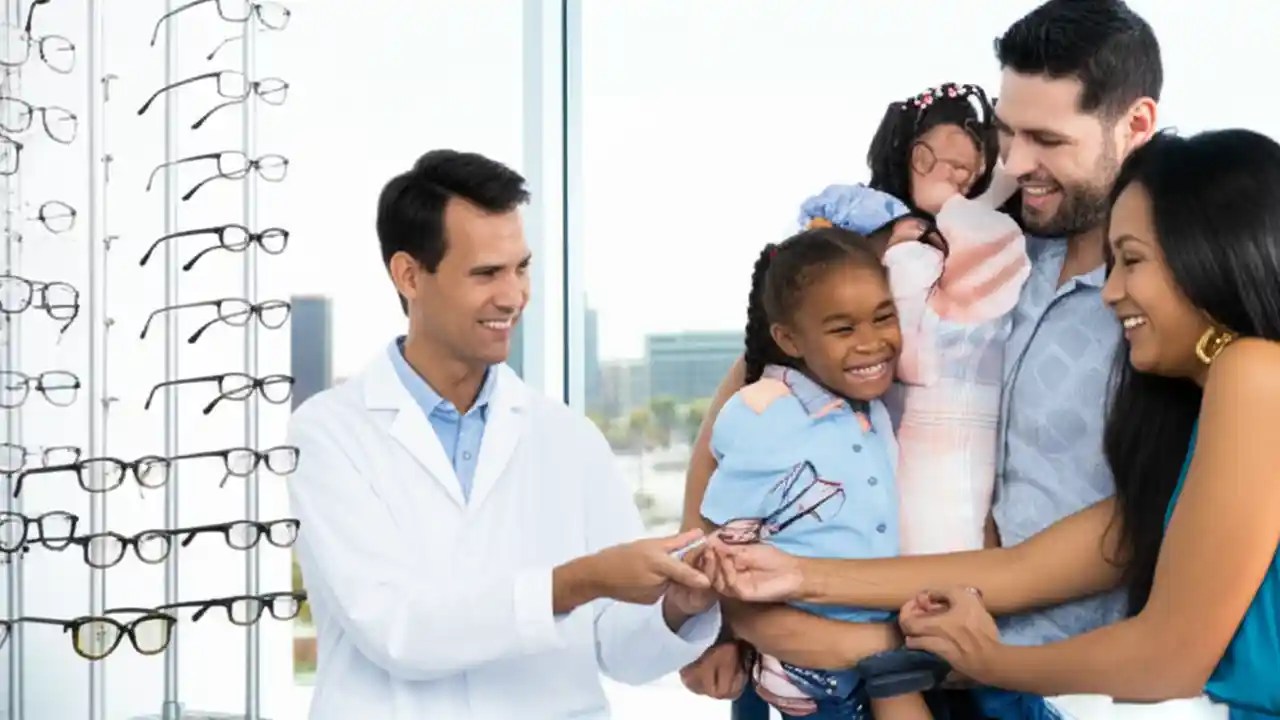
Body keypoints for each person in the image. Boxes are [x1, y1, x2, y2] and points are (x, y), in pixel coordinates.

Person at [680, 0, 1161, 714]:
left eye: (1047, 140)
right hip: (841, 655)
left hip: (1036, 682)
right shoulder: (953, 242)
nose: (1016, 163)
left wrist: (849, 629)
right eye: (1006, 133)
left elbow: (1130, 532)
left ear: (1137, 125)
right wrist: (711, 607)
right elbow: (754, 384)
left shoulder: (1161, 298)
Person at [718, 128, 1280, 719]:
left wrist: (986, 661)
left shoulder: (1254, 370)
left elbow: (1169, 658)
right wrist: (797, 575)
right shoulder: (1204, 419)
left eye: (1132, 261)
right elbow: (1020, 570)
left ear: (1212, 251)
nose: (1111, 294)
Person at [286, 149, 722, 720]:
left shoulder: (567, 436)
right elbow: (397, 630)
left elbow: (617, 647)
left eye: (521, 268)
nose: (513, 296)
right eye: (486, 273)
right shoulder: (328, 435)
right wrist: (578, 580)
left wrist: (677, 608)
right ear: (409, 275)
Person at [698, 226, 930, 719]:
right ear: (789, 339)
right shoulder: (762, 412)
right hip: (798, 661)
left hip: (872, 647)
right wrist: (719, 637)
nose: (871, 343)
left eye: (883, 317)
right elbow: (720, 538)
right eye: (843, 329)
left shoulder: (875, 407)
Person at [801, 85, 1029, 556]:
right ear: (906, 152)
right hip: (891, 441)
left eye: (966, 168)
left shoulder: (974, 235)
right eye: (931, 158)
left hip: (964, 445)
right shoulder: (875, 234)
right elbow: (903, 355)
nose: (950, 175)